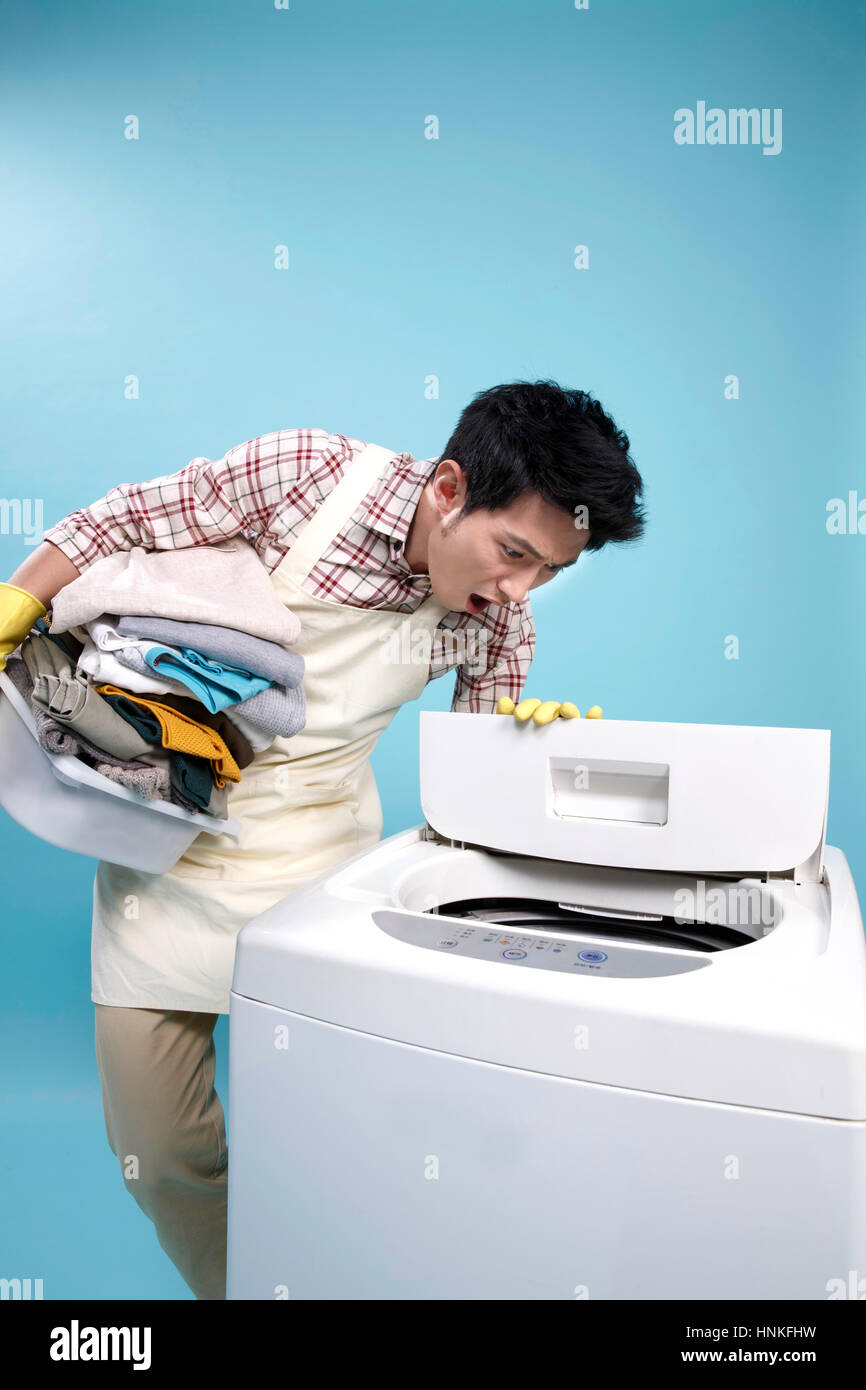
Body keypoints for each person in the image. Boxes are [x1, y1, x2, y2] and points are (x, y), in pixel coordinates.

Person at [0, 379, 645, 1299]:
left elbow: (475, 796)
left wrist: (520, 748)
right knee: (161, 1148)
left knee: (335, 1149)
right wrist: (18, 601)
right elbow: (121, 519)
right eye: (513, 554)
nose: (518, 590)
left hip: (322, 879)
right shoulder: (307, 475)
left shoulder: (497, 618)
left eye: (547, 572)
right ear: (450, 488)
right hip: (170, 850)